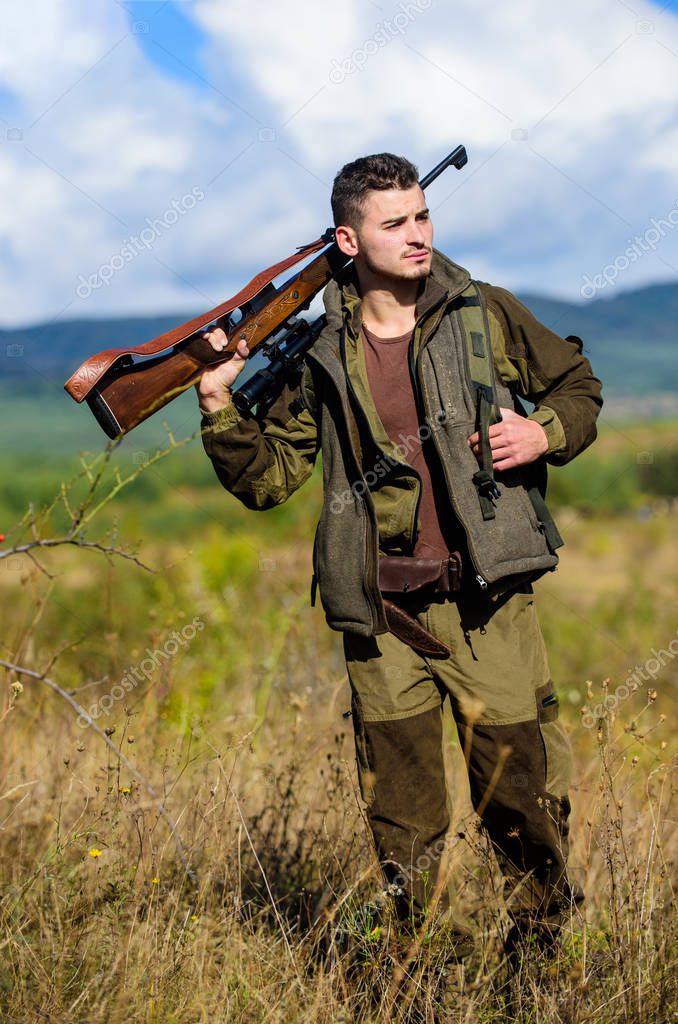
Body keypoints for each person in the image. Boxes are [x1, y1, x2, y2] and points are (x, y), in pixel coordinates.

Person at [195, 153, 602, 960]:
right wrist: (217, 405)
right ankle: (420, 976)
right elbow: (272, 479)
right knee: (403, 826)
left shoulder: (484, 315)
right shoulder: (316, 354)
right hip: (382, 620)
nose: (418, 236)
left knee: (519, 802)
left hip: (489, 608)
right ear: (349, 239)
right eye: (396, 223)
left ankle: (542, 963)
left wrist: (544, 432)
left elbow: (578, 386)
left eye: (422, 217)